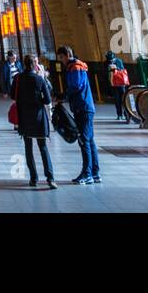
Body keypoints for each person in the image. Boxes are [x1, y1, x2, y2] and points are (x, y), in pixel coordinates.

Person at [56, 45, 99, 185]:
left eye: (62, 57)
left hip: (83, 107)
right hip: (83, 107)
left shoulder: (75, 67)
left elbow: (76, 86)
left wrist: (64, 95)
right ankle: (95, 172)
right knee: (89, 140)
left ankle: (87, 174)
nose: (61, 61)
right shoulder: (74, 67)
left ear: (67, 54)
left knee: (84, 140)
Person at [11, 54, 56, 189]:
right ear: (34, 64)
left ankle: (33, 178)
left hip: (24, 117)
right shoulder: (39, 79)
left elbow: (13, 95)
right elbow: (48, 100)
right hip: (38, 117)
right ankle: (50, 178)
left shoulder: (17, 78)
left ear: (24, 64)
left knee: (28, 148)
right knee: (43, 147)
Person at [105, 50, 131, 122]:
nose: (110, 60)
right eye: (109, 59)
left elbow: (122, 70)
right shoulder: (106, 62)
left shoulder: (119, 61)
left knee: (124, 99)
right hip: (114, 84)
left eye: (111, 59)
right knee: (117, 100)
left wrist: (115, 68)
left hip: (121, 83)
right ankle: (119, 115)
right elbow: (106, 73)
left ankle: (126, 115)